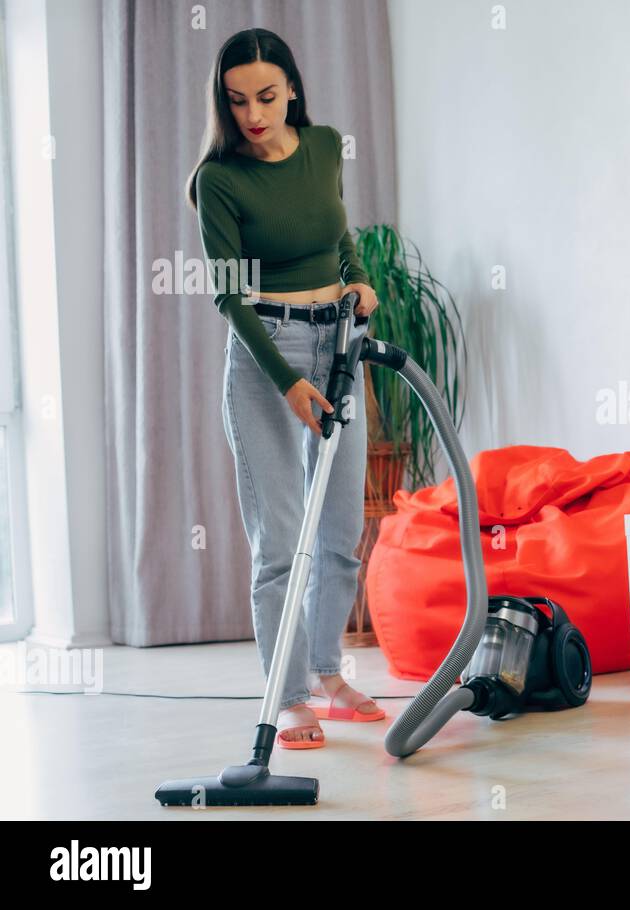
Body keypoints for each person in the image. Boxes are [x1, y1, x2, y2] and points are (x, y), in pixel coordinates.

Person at [185, 27, 383, 748]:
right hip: (264, 353)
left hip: (340, 342)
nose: (253, 114)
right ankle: (288, 692)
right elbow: (230, 299)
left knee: (338, 531)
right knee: (278, 540)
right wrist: (288, 382)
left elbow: (339, 232)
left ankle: (329, 674)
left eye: (267, 96)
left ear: (293, 88)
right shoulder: (220, 181)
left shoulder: (326, 146)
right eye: (237, 101)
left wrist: (359, 279)